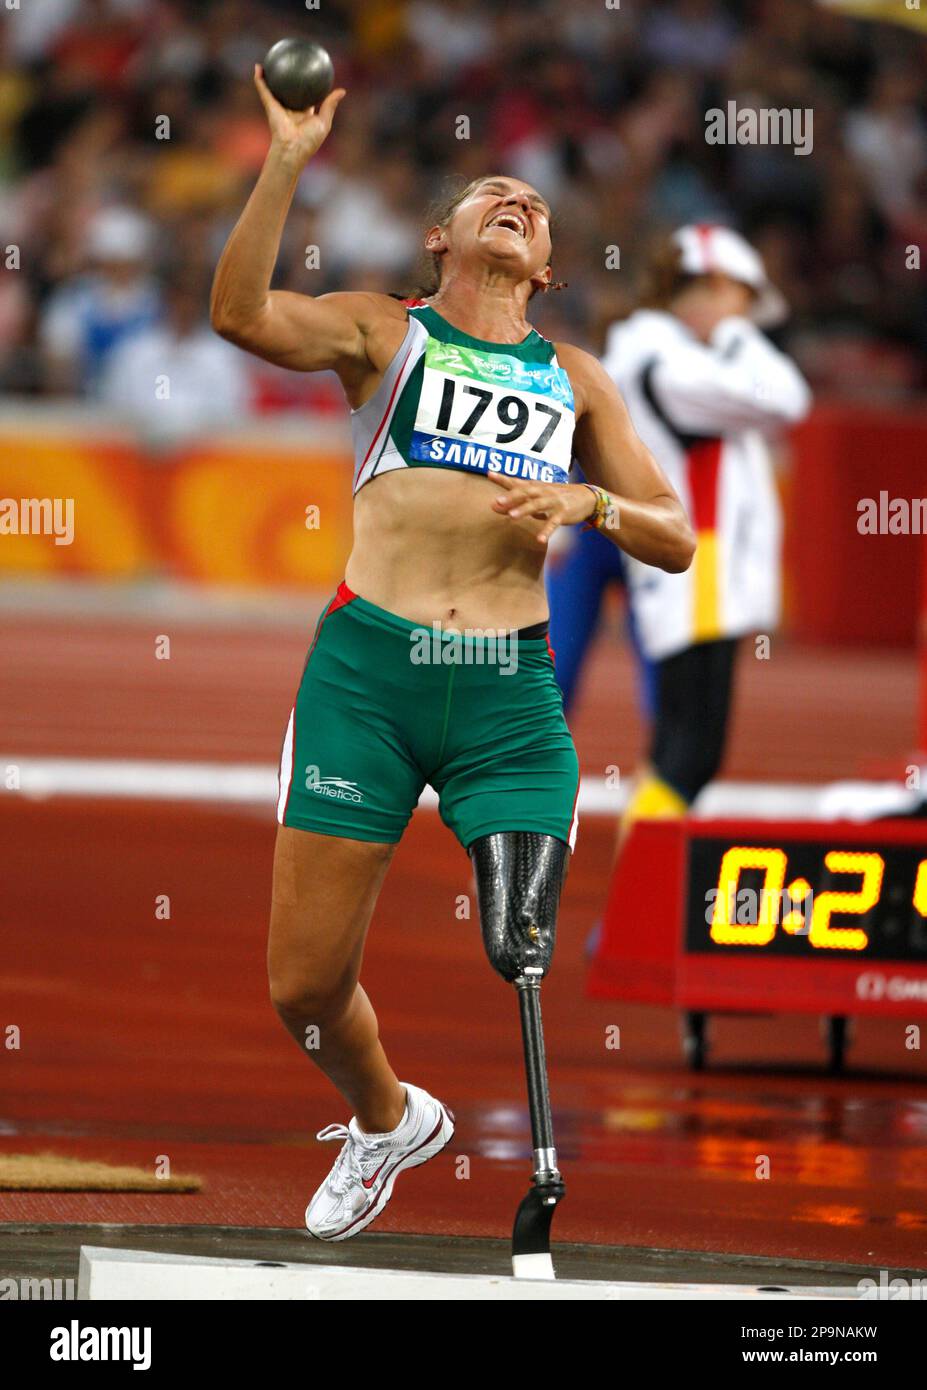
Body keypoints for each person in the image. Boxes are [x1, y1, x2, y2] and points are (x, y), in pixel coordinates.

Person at [210, 69, 694, 1242]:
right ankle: (389, 1118)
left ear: (551, 271)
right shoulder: (384, 330)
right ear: (443, 240)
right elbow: (239, 315)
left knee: (514, 948)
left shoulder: (574, 381)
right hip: (365, 680)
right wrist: (284, 159)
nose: (517, 200)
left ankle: (530, 1193)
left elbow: (674, 535)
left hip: (505, 700)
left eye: (533, 204)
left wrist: (592, 501)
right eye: (492, 193)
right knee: (302, 988)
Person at [596, 224, 812, 839]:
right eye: (742, 300)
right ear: (717, 286)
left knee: (684, 746)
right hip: (696, 565)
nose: (748, 318)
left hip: (700, 564)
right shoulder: (661, 358)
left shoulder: (671, 352)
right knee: (689, 750)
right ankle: (637, 892)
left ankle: (638, 886)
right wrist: (737, 333)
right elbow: (789, 400)